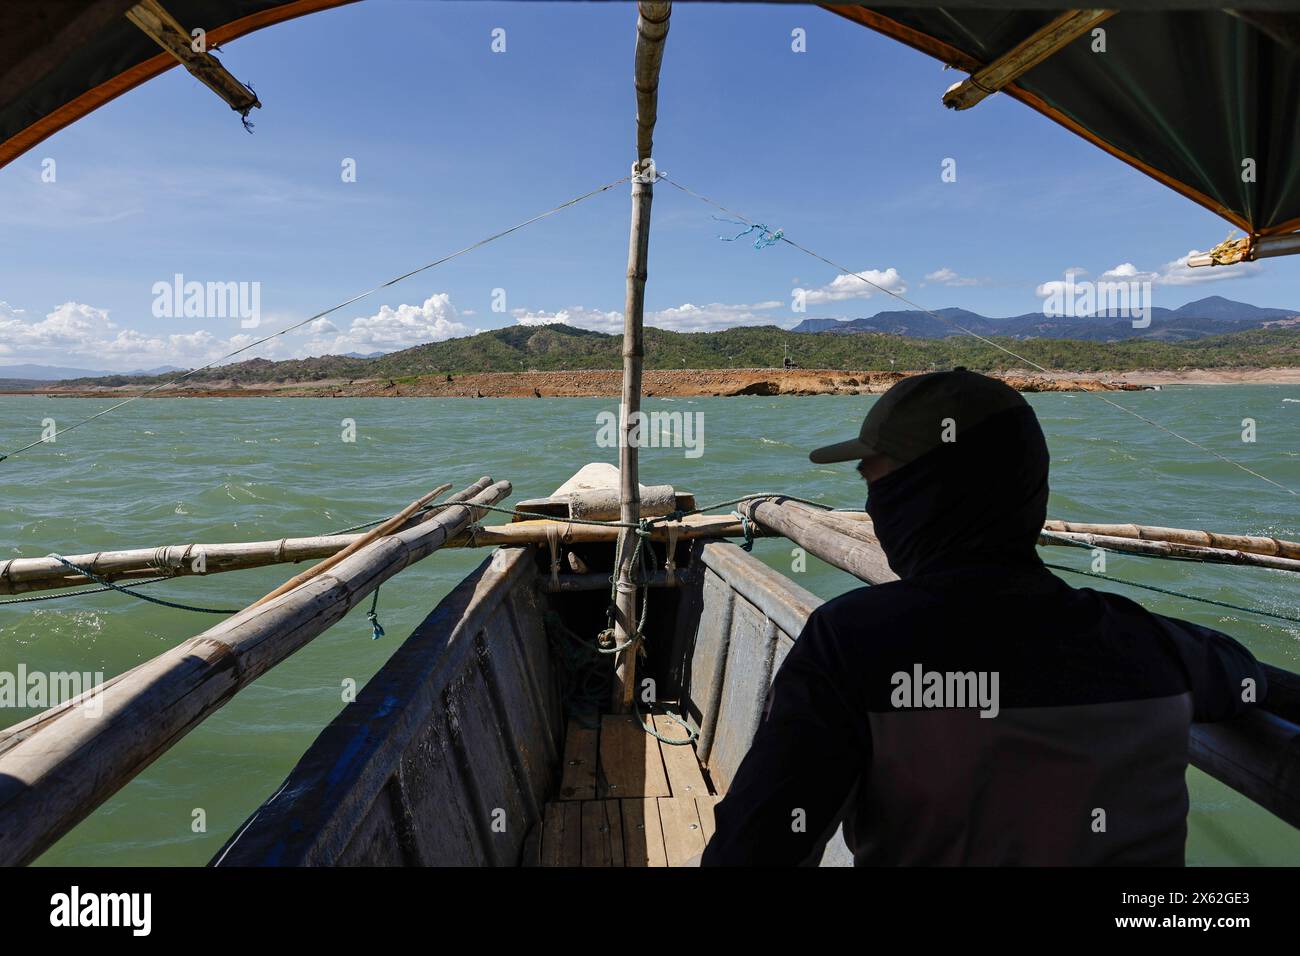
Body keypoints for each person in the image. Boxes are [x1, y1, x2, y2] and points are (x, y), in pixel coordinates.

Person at [701, 368, 1266, 866]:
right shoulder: (1154, 644)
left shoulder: (851, 643)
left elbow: (755, 846)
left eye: (876, 483)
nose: (872, 508)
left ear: (917, 497)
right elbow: (1245, 677)